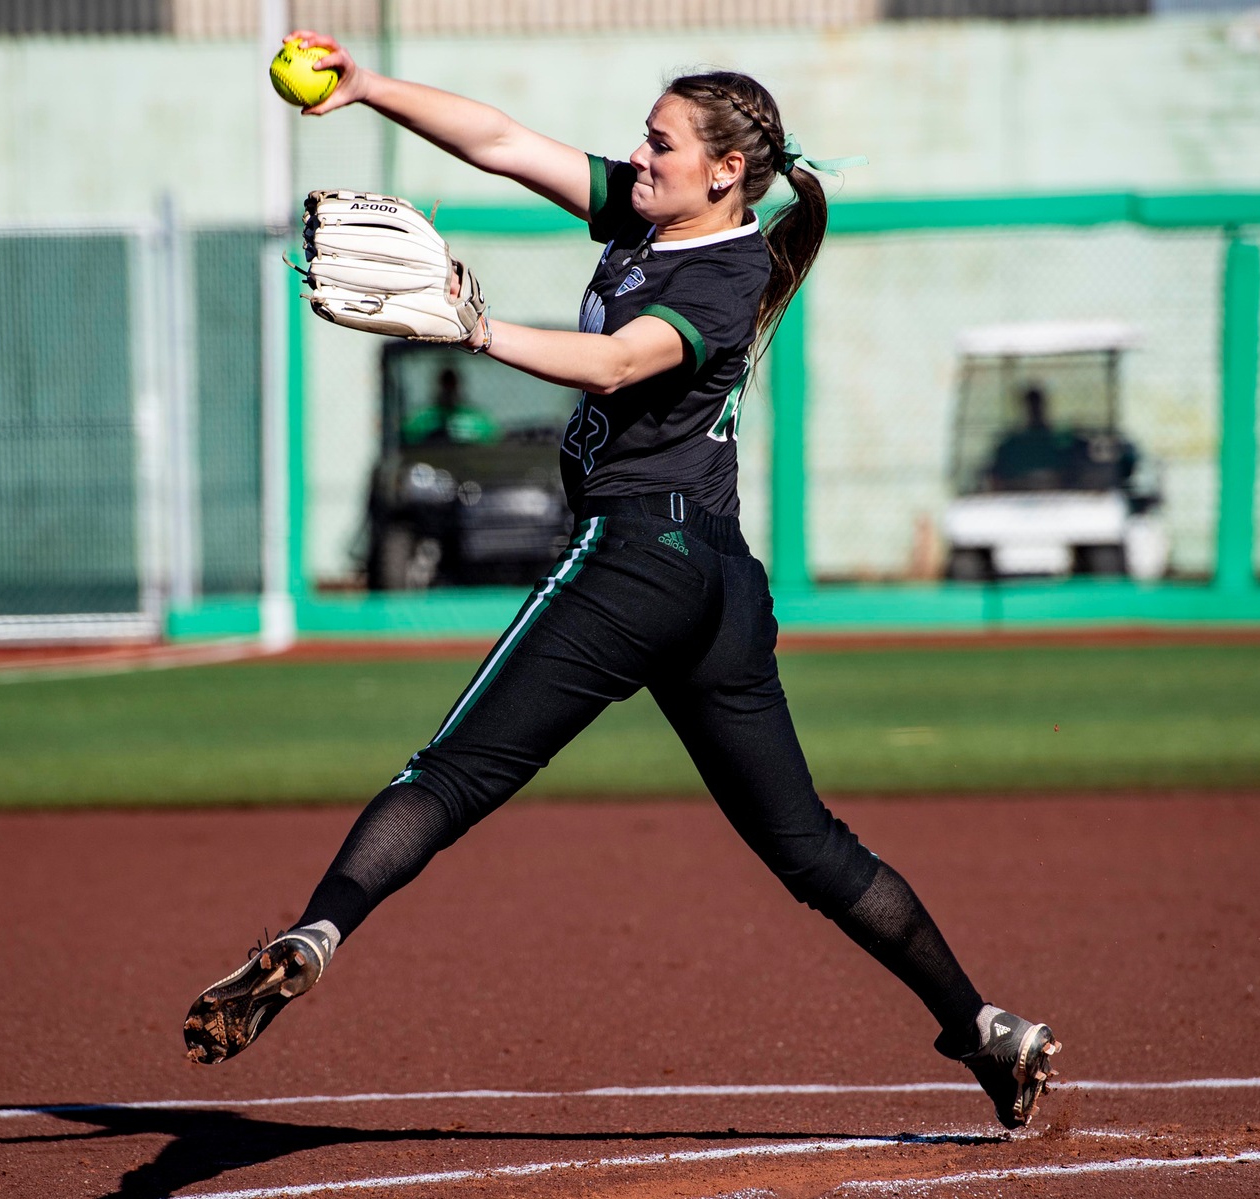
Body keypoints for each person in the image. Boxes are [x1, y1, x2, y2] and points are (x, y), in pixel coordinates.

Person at [185, 33, 1061, 1130]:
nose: (638, 157)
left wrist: (478, 328)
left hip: (636, 558)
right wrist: (366, 87)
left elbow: (615, 362)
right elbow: (502, 142)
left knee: (449, 775)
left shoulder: (727, 274)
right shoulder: (650, 221)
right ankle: (985, 1029)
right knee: (809, 848)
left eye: (661, 144)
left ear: (726, 171)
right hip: (719, 586)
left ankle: (316, 933)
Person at [402, 366, 500, 445]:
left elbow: (493, 440)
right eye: (445, 384)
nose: (448, 389)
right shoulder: (421, 419)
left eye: (452, 384)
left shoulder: (478, 419)